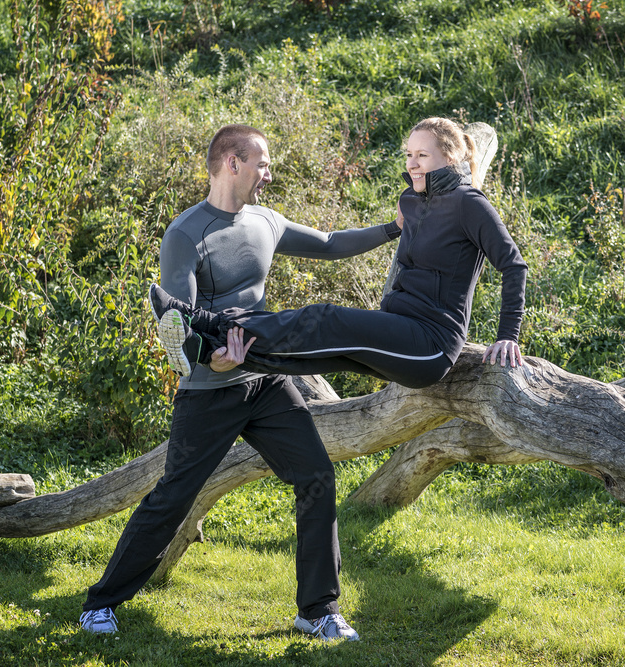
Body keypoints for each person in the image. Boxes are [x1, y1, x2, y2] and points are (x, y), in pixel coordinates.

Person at [79, 123, 404, 641]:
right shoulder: (186, 234)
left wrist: (394, 228)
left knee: (316, 477)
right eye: (262, 164)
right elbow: (181, 326)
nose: (269, 174)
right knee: (173, 497)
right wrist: (214, 362)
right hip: (210, 391)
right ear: (231, 163)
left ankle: (317, 610)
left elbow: (332, 244)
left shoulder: (266, 222)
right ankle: (100, 604)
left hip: (266, 382)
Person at [149, 116, 528, 389]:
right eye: (409, 154)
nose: (411, 163)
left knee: (325, 318)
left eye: (422, 156)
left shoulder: (469, 204)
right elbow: (348, 239)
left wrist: (508, 334)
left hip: (429, 345)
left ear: (448, 158)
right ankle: (205, 344)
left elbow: (513, 265)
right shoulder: (413, 201)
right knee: (303, 355)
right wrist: (392, 227)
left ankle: (196, 320)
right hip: (397, 330)